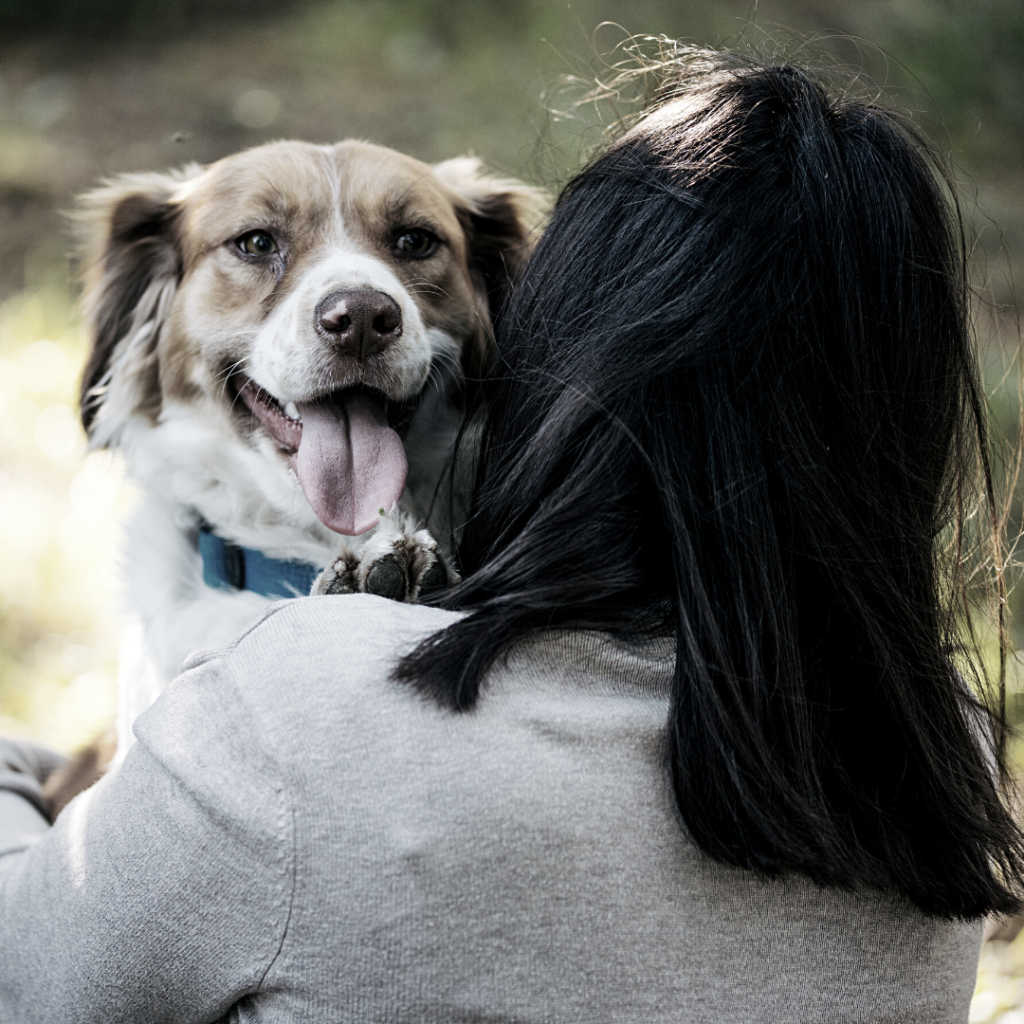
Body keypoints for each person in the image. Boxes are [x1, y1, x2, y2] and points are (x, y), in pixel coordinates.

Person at [1, 48, 1020, 1023]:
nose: (355, 300)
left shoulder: (290, 710)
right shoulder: (942, 753)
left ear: (552, 343)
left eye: (413, 246)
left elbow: (32, 977)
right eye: (258, 245)